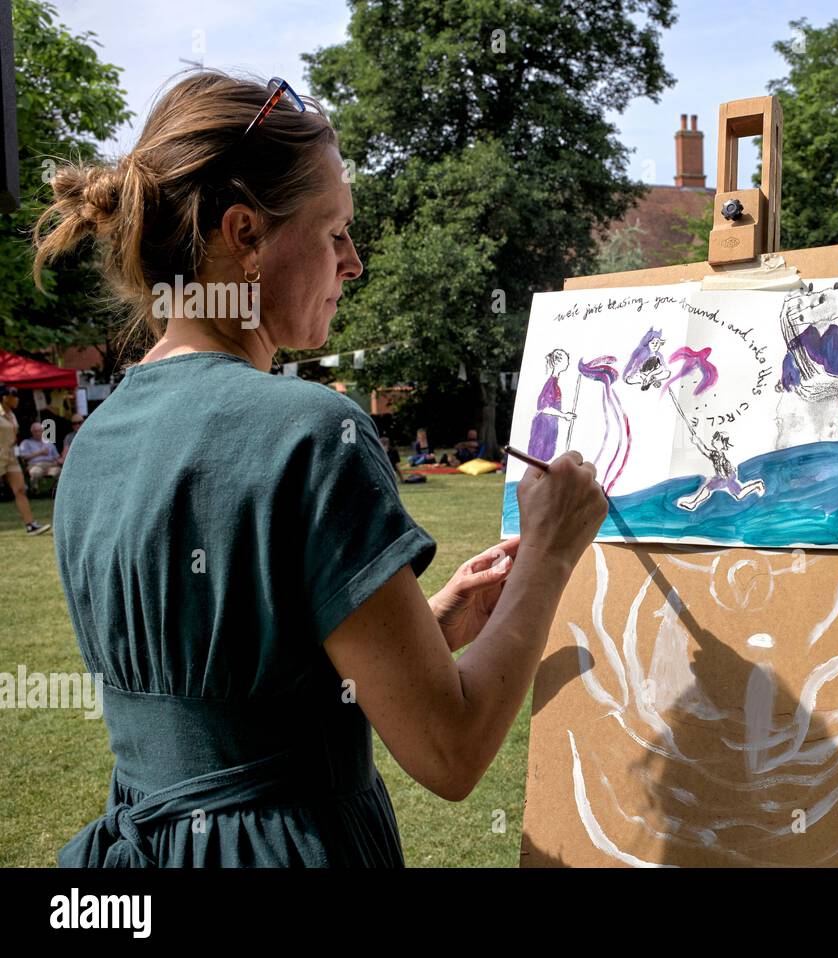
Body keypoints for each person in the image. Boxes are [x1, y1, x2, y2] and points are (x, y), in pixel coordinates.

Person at [32, 70, 607, 867]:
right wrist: (550, 550)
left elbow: (230, 699)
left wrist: (425, 627)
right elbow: (450, 749)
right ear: (246, 234)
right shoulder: (311, 429)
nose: (355, 262)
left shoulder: (95, 438)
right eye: (335, 231)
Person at [1, 385, 50, 535]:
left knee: (20, 490)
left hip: (10, 457)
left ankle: (31, 525)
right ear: (4, 397)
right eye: (14, 395)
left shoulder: (12, 415)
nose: (17, 399)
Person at [18, 420, 63, 487]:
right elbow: (23, 457)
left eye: (39, 431)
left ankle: (54, 490)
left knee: (60, 472)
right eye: (35, 431)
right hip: (35, 465)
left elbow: (57, 457)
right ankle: (34, 490)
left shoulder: (49, 443)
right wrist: (40, 453)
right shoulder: (26, 443)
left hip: (51, 465)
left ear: (43, 431)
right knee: (35, 472)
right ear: (31, 432)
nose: (37, 433)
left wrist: (59, 461)